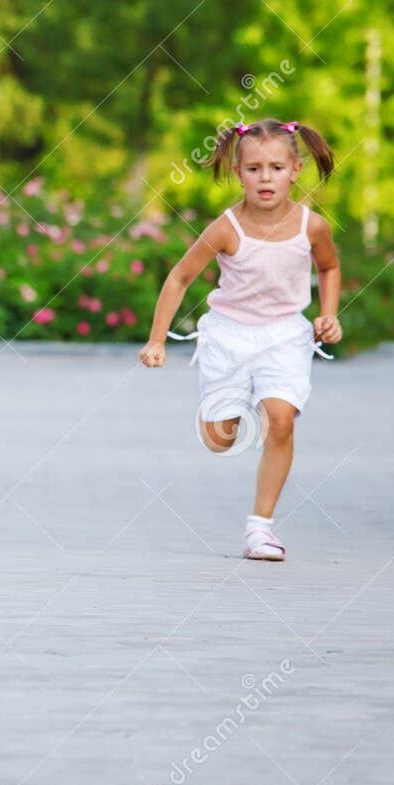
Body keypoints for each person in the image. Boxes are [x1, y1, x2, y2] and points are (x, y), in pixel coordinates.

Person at [139, 118, 342, 561]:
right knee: (220, 439)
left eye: (276, 168)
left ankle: (259, 529)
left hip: (284, 336)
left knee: (281, 419)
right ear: (238, 173)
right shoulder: (226, 228)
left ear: (295, 170)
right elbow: (179, 277)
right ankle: (230, 402)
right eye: (254, 169)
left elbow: (328, 268)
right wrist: (156, 340)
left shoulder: (312, 227)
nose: (265, 178)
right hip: (229, 336)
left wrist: (329, 314)